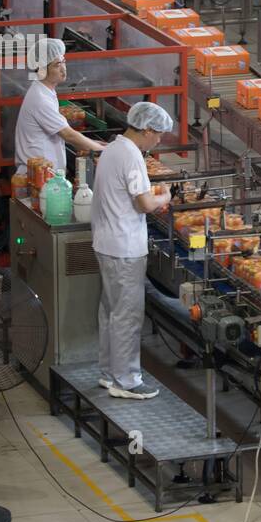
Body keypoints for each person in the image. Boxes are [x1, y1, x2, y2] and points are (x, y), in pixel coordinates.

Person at [90, 101, 174, 400]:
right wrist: (165, 195)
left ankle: (108, 371)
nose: (160, 140)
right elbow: (144, 203)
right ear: (147, 129)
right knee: (127, 315)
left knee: (110, 311)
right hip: (124, 248)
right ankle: (126, 381)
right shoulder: (132, 156)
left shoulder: (113, 149)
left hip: (106, 243)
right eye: (159, 134)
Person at [13, 37, 106, 180]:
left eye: (64, 62)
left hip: (46, 175)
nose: (63, 69)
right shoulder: (40, 99)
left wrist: (95, 144)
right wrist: (104, 151)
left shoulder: (46, 91)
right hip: (36, 178)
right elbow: (68, 135)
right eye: (57, 65)